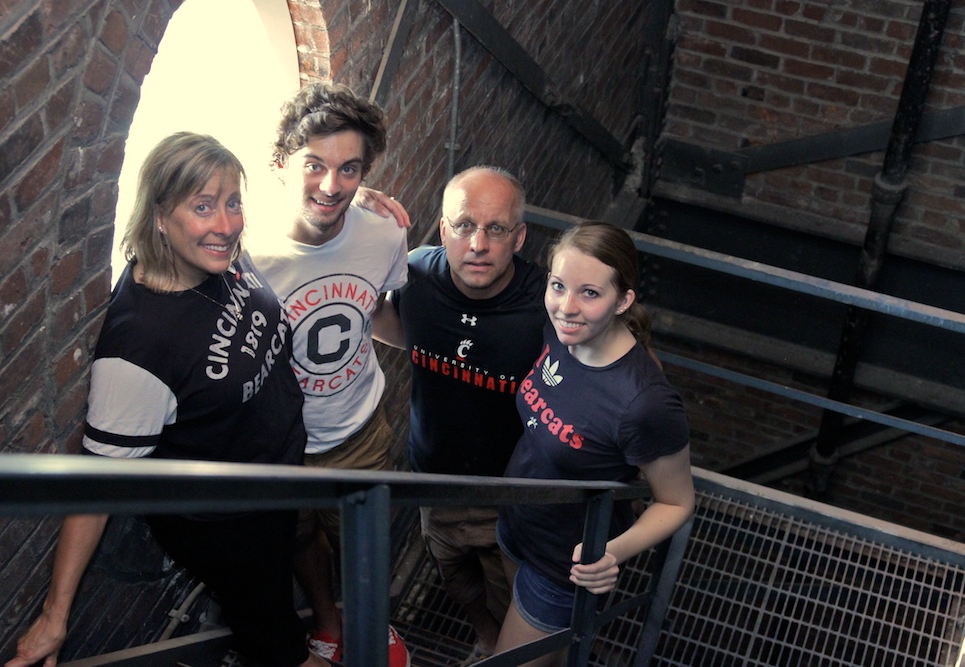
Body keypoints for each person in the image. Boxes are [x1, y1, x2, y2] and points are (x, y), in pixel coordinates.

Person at [7, 133, 331, 667]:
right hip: (230, 525)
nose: (226, 224)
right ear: (160, 216)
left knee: (301, 547)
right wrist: (54, 614)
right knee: (274, 638)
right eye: (202, 207)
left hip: (280, 475)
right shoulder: (139, 350)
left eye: (232, 202)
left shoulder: (217, 253)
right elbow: (98, 484)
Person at [247, 82, 410, 666]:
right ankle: (327, 621)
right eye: (314, 165)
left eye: (350, 169)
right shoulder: (244, 252)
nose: (331, 185)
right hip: (282, 443)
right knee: (298, 540)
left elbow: (381, 313)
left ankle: (372, 620)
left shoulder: (384, 231)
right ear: (280, 164)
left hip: (358, 429)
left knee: (364, 541)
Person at [494, 221, 695, 667]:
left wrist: (612, 553)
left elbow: (677, 502)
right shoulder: (558, 332)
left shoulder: (644, 403)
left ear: (623, 301)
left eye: (590, 293)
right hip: (515, 526)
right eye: (558, 286)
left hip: (564, 565)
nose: (566, 307)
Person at [374, 166, 545, 663]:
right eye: (465, 225)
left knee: (516, 599)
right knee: (455, 577)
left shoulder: (547, 306)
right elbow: (391, 326)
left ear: (519, 237)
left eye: (496, 229)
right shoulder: (417, 275)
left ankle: (503, 650)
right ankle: (485, 638)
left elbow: (620, 357)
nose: (478, 244)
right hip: (436, 480)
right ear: (444, 229)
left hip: (511, 498)